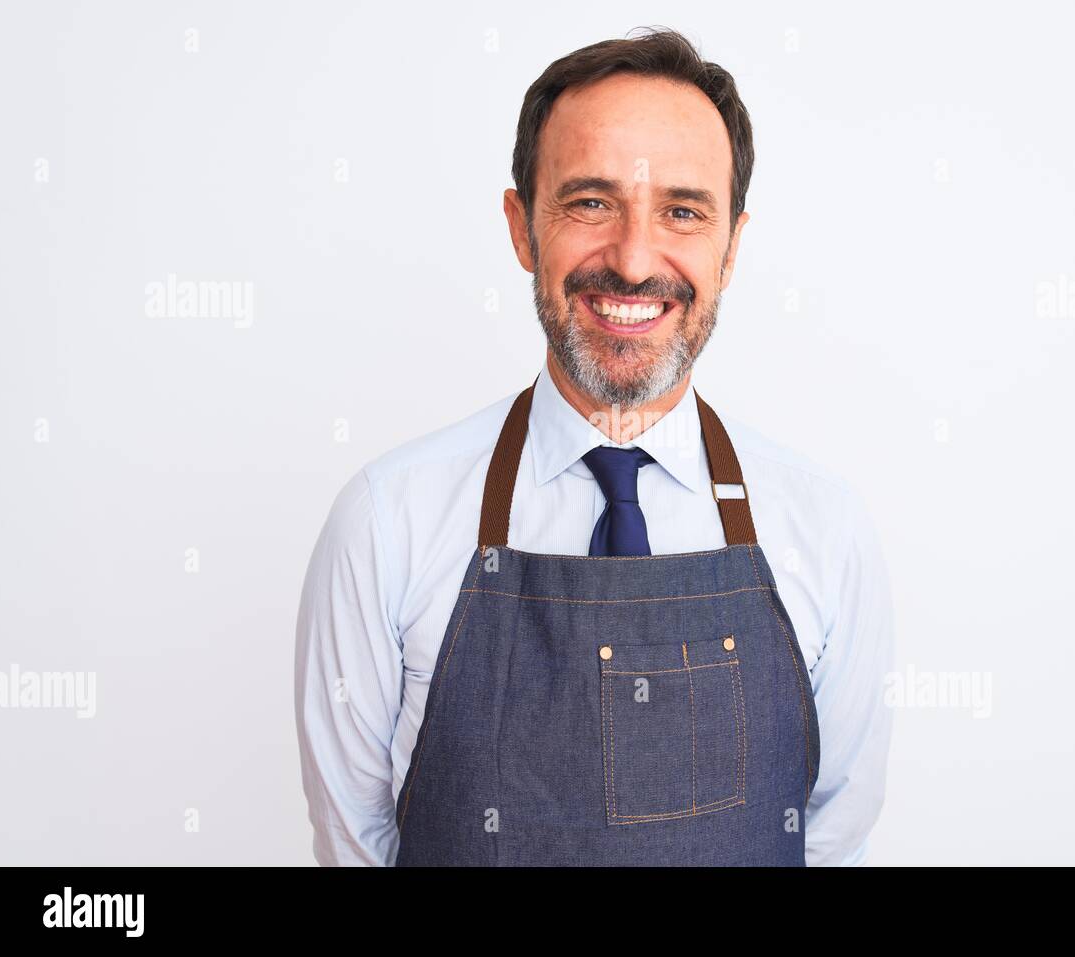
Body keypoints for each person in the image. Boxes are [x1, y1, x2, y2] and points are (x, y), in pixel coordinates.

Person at [294, 27, 894, 866]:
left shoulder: (825, 529)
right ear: (521, 227)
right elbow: (354, 845)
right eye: (589, 203)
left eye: (682, 211)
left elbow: (831, 843)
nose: (634, 259)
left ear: (732, 246)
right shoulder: (387, 518)